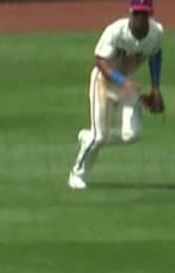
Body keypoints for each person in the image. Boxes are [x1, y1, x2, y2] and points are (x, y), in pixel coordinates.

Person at [69, 0, 165, 190]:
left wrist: (155, 88)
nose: (140, 18)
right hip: (103, 83)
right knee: (100, 137)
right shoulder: (115, 31)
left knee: (133, 135)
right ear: (130, 13)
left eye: (144, 14)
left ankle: (91, 137)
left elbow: (155, 55)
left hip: (128, 83)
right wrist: (123, 82)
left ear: (150, 14)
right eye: (137, 13)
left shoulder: (156, 33)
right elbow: (101, 61)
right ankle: (77, 174)